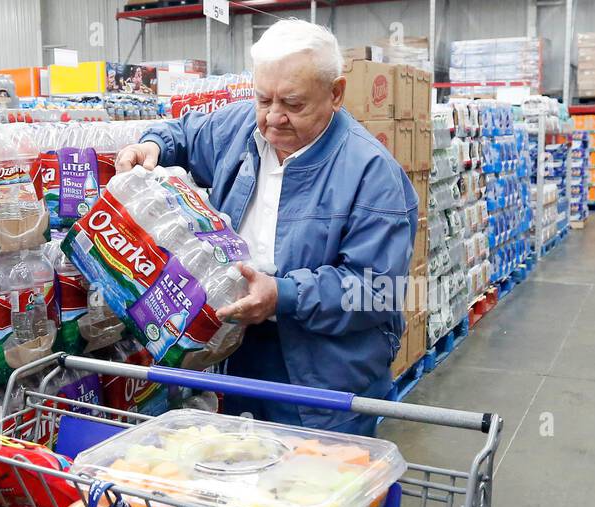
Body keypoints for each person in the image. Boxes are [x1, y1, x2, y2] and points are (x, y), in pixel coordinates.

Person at [116, 19, 418, 435]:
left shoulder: (372, 175)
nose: (274, 118)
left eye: (293, 104)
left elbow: (375, 289)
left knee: (313, 486)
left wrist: (283, 296)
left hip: (324, 376)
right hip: (237, 350)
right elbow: (183, 132)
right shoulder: (240, 129)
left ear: (336, 93)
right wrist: (152, 145)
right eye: (263, 99)